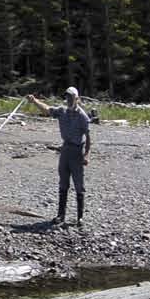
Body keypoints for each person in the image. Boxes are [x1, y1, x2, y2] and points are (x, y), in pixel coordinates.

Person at [31, 87, 95, 226]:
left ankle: (80, 217)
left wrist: (87, 155)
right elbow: (47, 109)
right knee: (63, 183)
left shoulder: (82, 116)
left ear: (77, 99)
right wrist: (34, 101)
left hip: (77, 152)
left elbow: (89, 137)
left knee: (79, 185)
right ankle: (61, 215)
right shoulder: (62, 111)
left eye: (71, 97)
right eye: (67, 97)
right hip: (65, 150)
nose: (69, 100)